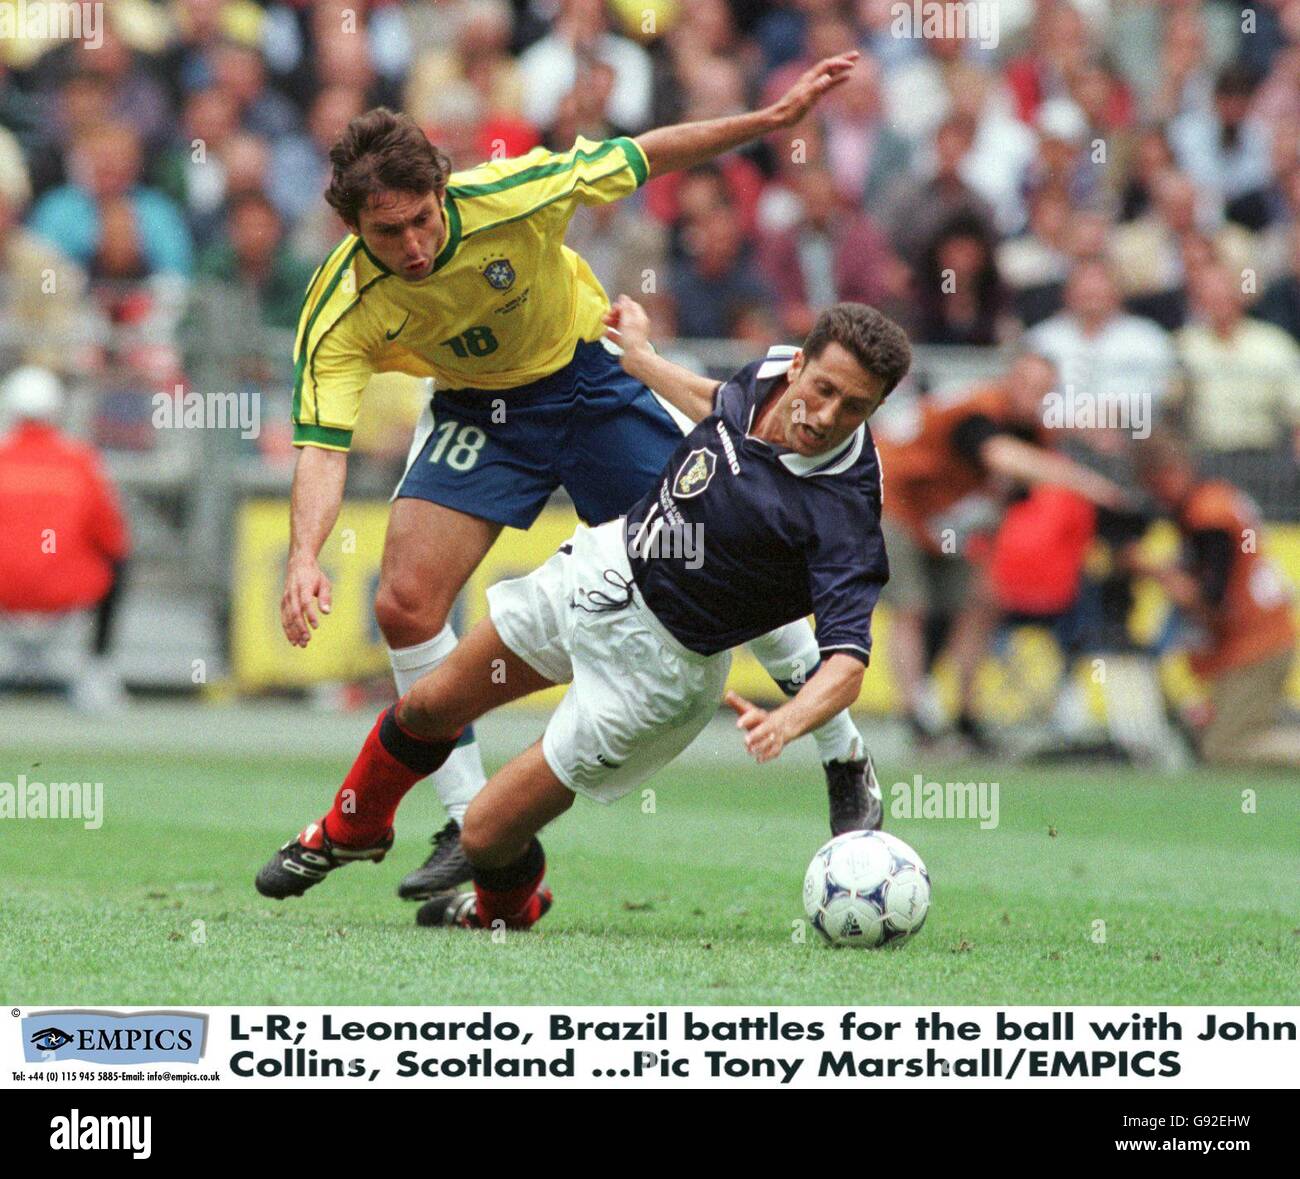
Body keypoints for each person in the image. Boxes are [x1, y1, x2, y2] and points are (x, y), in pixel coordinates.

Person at [280, 54, 883, 913]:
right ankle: (462, 820)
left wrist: (769, 120)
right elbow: (322, 444)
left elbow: (645, 155)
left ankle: (845, 758)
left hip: (589, 384)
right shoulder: (339, 305)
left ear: (444, 189)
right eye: (387, 235)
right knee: (404, 602)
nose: (412, 247)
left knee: (726, 547)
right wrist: (307, 554)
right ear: (349, 226)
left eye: (421, 221)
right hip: (481, 413)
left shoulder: (513, 193)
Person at [256, 298, 910, 929]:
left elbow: (849, 661)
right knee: (428, 706)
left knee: (483, 833)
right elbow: (722, 404)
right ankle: (350, 828)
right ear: (797, 363)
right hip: (606, 572)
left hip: (659, 674)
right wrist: (642, 360)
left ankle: (502, 911)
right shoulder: (770, 371)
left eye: (854, 407)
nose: (826, 416)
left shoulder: (844, 510)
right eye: (822, 389)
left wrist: (791, 719)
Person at [874, 352, 1126, 749]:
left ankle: (965, 714)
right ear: (1009, 379)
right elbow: (999, 456)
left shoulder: (1032, 432)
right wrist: (1085, 481)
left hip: (949, 522)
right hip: (898, 504)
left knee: (982, 603)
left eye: (1042, 390)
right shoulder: (978, 412)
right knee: (911, 608)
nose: (1032, 396)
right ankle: (915, 717)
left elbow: (1004, 498)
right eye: (1026, 385)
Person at [1128, 434, 1300, 769]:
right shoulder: (1215, 499)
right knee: (1223, 737)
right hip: (1255, 641)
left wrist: (1154, 570)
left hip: (1257, 644)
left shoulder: (1208, 514)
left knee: (1226, 748)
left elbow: (1211, 598)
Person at [0, 367, 130, 712]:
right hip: (67, 587)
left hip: (4, 587)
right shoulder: (80, 461)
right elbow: (113, 539)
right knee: (119, 564)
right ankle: (97, 672)